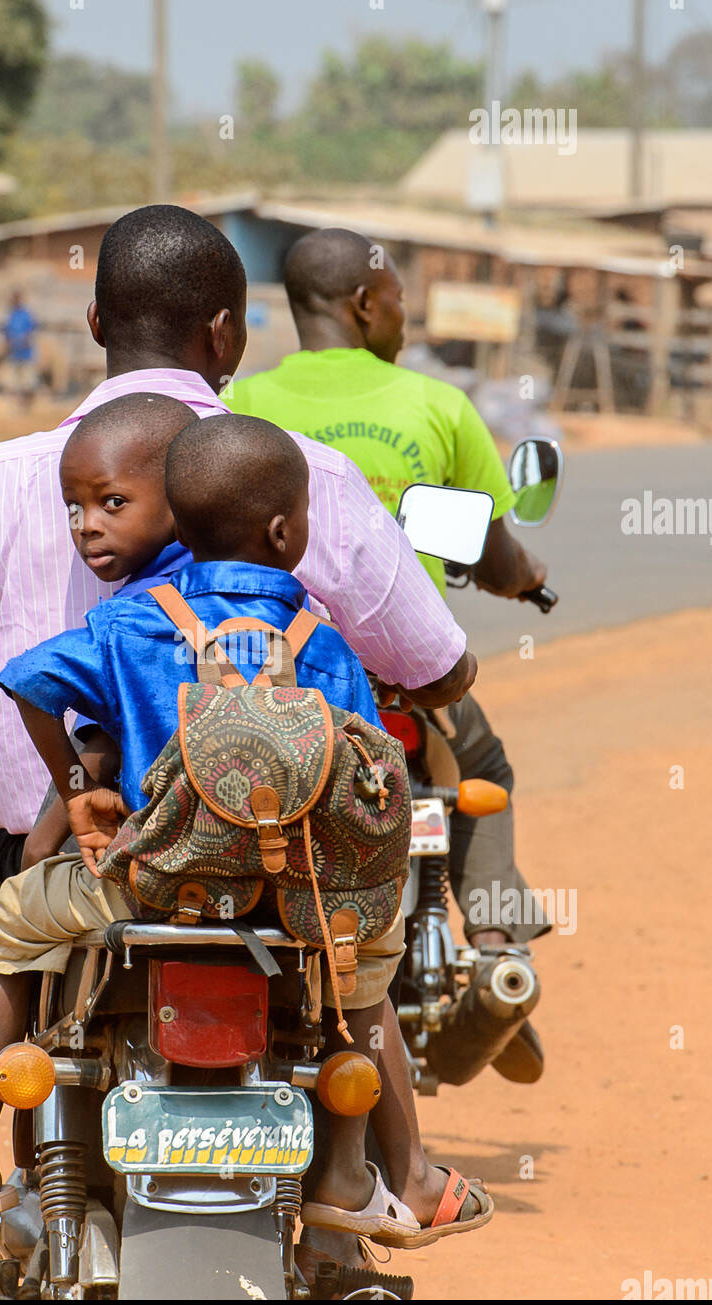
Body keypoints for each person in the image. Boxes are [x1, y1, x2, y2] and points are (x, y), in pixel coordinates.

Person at [0, 205, 476, 1298]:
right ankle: (360, 1195)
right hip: (293, 881)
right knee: (356, 979)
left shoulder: (2, 482)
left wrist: (55, 781)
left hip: (99, 857)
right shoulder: (299, 481)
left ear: (91, 321)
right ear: (225, 337)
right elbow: (434, 666)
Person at [228, 228, 552, 987]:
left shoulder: (241, 402)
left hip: (269, 680)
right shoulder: (438, 405)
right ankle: (501, 941)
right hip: (397, 680)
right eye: (402, 303)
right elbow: (494, 556)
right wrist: (527, 576)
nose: (407, 322)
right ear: (367, 304)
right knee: (484, 760)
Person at [2, 292, 38, 408]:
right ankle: (16, 407)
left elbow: (31, 329)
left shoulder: (25, 315)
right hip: (13, 354)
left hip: (26, 353)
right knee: (14, 383)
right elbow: (5, 332)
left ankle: (27, 406)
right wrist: (8, 344)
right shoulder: (10, 315)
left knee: (28, 383)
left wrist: (24, 340)